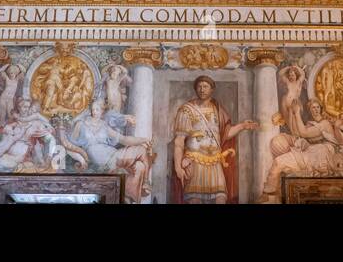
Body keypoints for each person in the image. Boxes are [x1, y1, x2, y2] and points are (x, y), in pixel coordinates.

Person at [171, 75, 257, 203]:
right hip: (195, 162)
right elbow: (179, 141)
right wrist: (178, 167)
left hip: (215, 163)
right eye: (199, 86)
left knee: (221, 198)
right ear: (195, 89)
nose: (202, 89)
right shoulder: (187, 110)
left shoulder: (217, 110)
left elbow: (225, 134)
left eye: (205, 86)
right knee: (195, 199)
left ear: (212, 89)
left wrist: (243, 126)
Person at [69, 99, 154, 203]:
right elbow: (69, 145)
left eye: (97, 109)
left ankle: (131, 196)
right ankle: (146, 181)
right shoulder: (81, 124)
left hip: (112, 155)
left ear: (102, 111)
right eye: (93, 109)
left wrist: (143, 139)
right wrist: (81, 159)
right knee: (141, 150)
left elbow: (124, 139)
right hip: (106, 160)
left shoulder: (104, 126)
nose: (94, 112)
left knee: (140, 166)